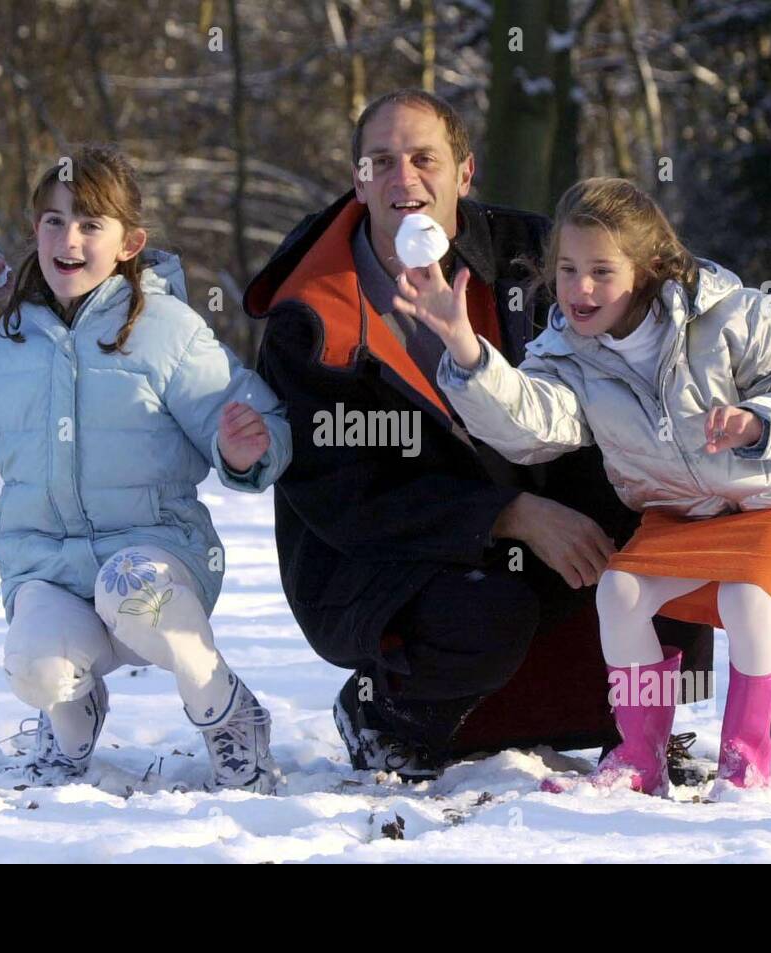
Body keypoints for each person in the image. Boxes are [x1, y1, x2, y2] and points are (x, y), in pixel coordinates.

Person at [245, 90, 713, 781]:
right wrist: (509, 516)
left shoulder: (533, 258)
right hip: (374, 560)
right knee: (486, 609)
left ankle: (644, 724)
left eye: (423, 158)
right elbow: (344, 496)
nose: (403, 177)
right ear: (359, 180)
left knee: (676, 522)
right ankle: (389, 717)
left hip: (535, 506)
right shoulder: (311, 318)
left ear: (464, 173)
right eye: (382, 160)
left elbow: (643, 329)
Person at [396, 176, 771, 796]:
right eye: (566, 269)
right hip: (682, 511)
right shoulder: (567, 351)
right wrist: (466, 350)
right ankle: (642, 754)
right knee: (620, 593)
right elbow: (533, 426)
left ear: (648, 269)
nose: (580, 289)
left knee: (744, 600)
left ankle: (747, 763)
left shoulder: (734, 317)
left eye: (600, 271)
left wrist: (761, 422)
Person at [0, 145, 291, 793]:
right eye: (54, 221)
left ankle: (228, 711)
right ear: (35, 232)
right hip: (49, 569)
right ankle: (72, 717)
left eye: (92, 223)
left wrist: (244, 449)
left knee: (134, 589)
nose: (69, 238)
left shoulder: (166, 330)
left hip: (156, 559)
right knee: (34, 666)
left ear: (130, 242)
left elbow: (257, 423)